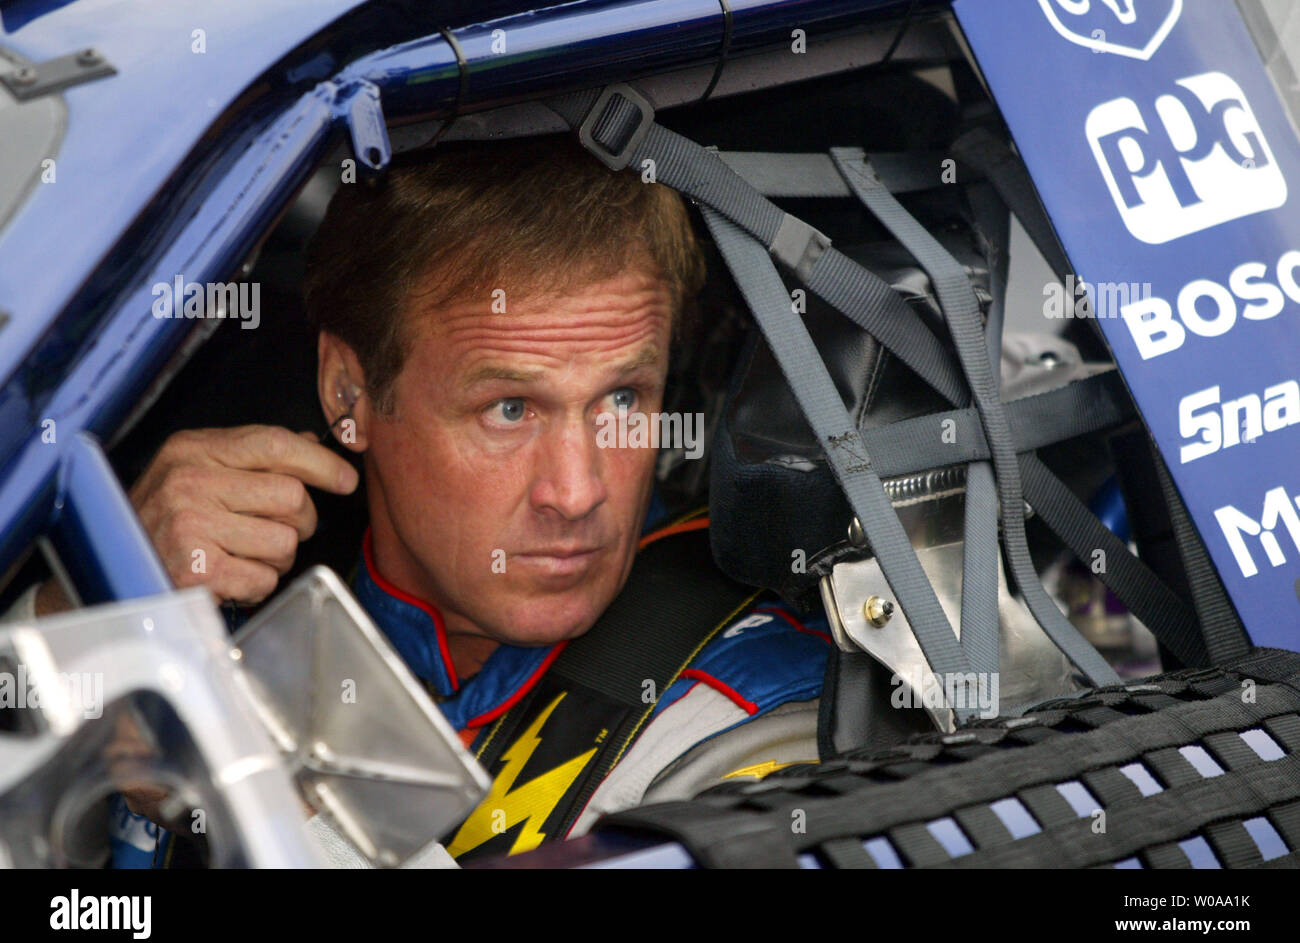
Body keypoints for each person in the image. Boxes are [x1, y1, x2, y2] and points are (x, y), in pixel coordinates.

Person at [5, 134, 831, 866]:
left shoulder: (748, 722)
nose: (577, 492)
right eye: (509, 410)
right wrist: (82, 612)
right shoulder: (233, 564)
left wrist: (253, 792)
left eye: (621, 400)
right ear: (348, 393)